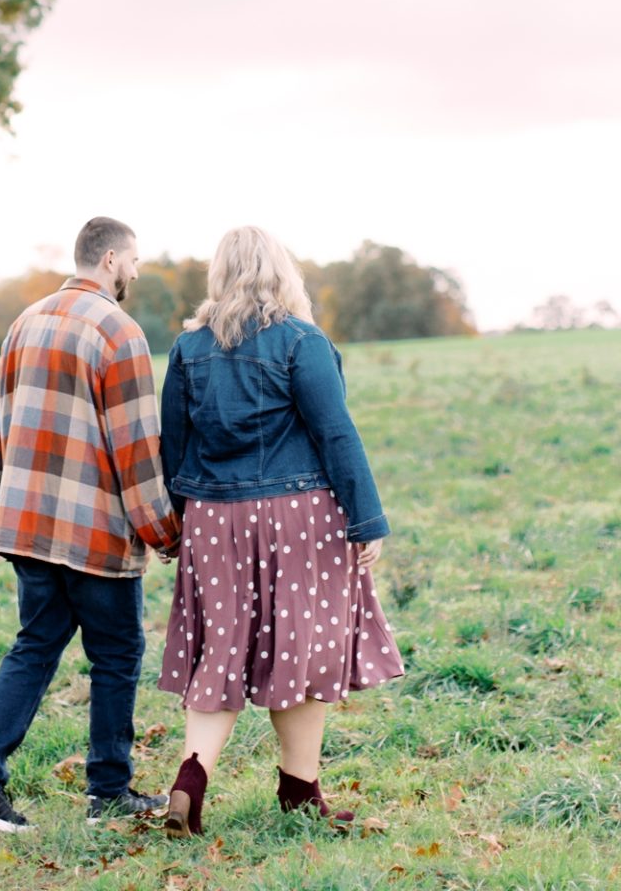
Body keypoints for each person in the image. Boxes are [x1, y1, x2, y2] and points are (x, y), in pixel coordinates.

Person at [156, 226, 404, 836]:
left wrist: (173, 523)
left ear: (219, 275)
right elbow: (335, 433)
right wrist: (366, 518)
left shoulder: (188, 350)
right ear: (282, 273)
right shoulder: (302, 341)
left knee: (221, 650)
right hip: (300, 517)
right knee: (302, 646)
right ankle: (299, 790)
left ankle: (191, 777)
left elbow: (174, 445)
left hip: (214, 518)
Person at [0, 217, 182, 833]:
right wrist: (164, 532)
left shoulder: (25, 322)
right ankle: (107, 791)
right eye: (132, 261)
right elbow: (135, 446)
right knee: (118, 651)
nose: (135, 272)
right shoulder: (120, 332)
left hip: (26, 523)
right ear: (109, 259)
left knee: (35, 644)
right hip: (93, 532)